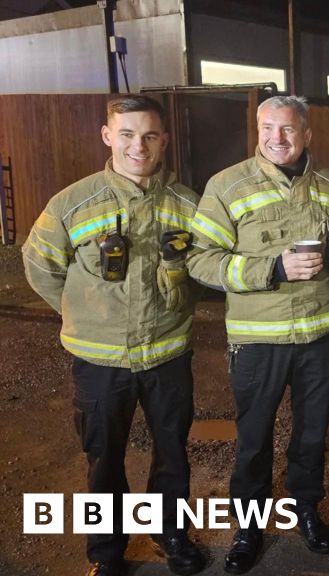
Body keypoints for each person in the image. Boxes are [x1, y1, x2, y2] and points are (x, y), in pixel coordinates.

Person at [22, 95, 204, 576]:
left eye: (148, 135)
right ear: (107, 136)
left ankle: (171, 534)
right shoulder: (72, 203)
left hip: (167, 355)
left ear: (164, 140)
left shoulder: (190, 204)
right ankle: (106, 553)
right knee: (103, 460)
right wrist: (81, 313)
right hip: (100, 362)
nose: (137, 146)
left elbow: (205, 268)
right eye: (126, 134)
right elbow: (40, 266)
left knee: (173, 455)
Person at [187, 95, 329, 574]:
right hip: (258, 343)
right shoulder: (227, 186)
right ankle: (248, 527)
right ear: (258, 129)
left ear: (307, 135)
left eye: (288, 129)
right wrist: (271, 268)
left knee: (312, 435)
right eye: (268, 128)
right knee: (254, 440)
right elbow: (199, 259)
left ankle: (306, 512)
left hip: (319, 338)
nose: (277, 138)